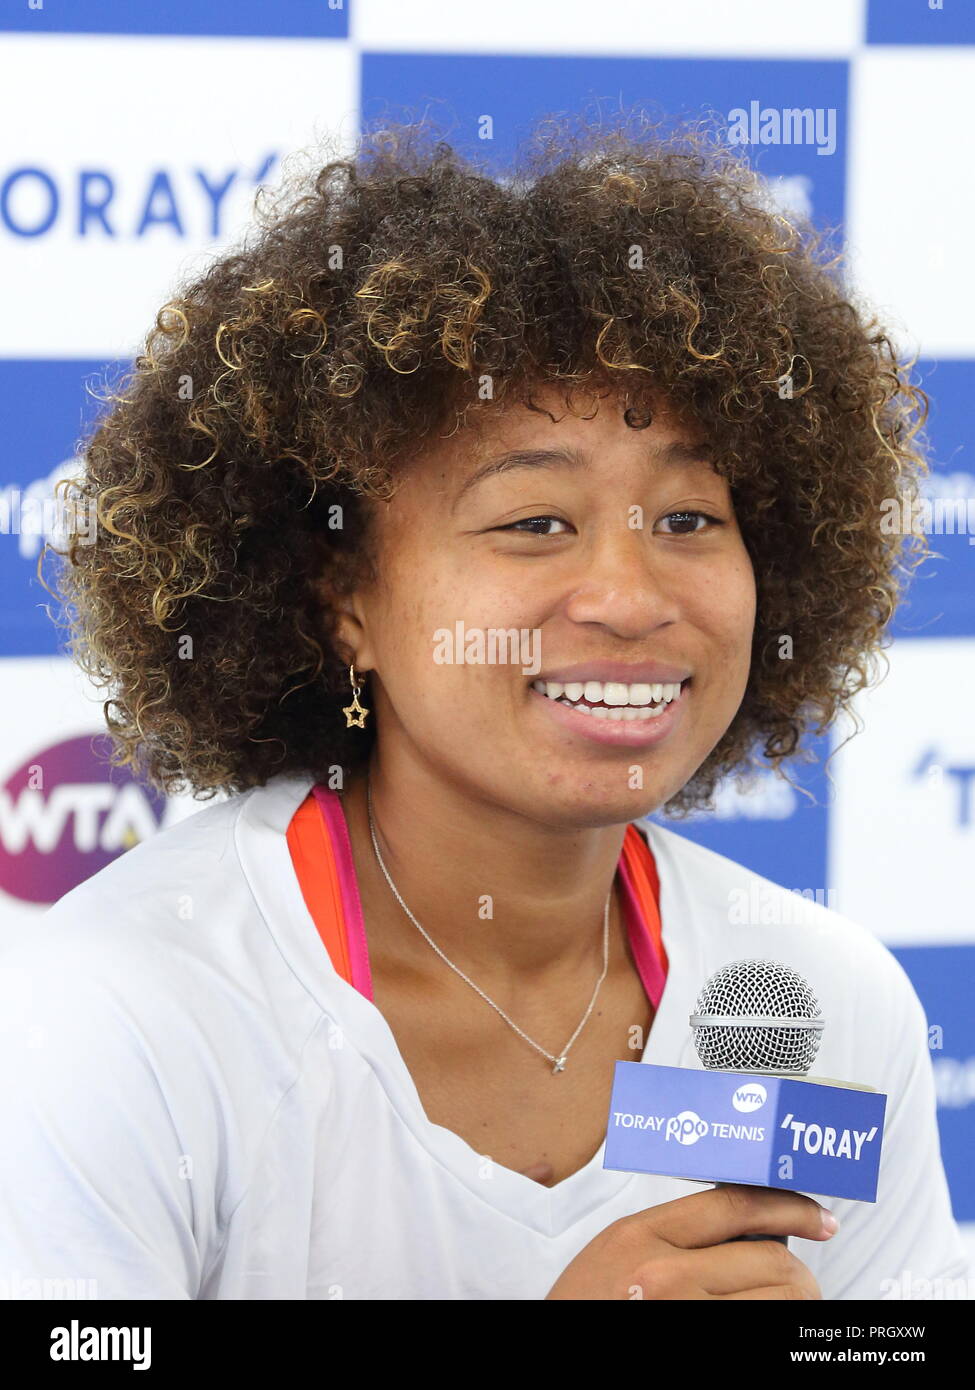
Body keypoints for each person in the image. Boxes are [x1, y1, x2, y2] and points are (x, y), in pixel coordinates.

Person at [2, 114, 967, 1301]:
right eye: (535, 523)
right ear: (341, 594)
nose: (629, 597)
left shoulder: (821, 1003)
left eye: (687, 521)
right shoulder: (121, 1013)